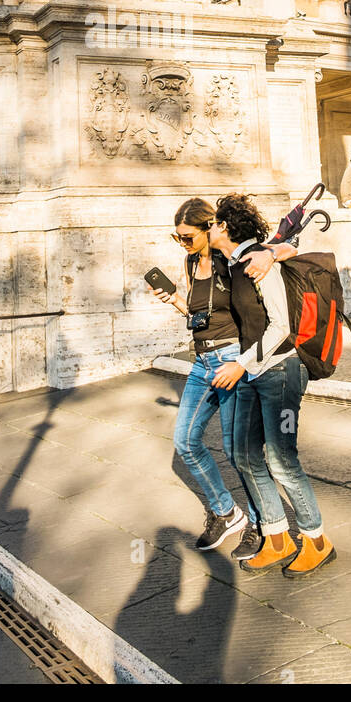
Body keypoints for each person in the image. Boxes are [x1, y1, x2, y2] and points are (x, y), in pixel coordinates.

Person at [209, 194, 335, 577]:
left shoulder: (257, 262)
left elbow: (283, 327)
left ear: (227, 227)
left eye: (214, 223)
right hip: (253, 372)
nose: (209, 228)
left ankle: (316, 540)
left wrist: (239, 363)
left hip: (281, 372)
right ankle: (277, 537)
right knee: (243, 454)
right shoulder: (235, 264)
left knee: (282, 458)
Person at [149, 198, 260, 554]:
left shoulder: (231, 260)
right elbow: (198, 315)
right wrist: (176, 300)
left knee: (235, 449)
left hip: (231, 359)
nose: (183, 243)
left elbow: (251, 311)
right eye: (177, 237)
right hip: (202, 361)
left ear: (209, 228)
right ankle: (226, 512)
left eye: (188, 237)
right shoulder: (190, 260)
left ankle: (261, 524)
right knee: (186, 441)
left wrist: (244, 362)